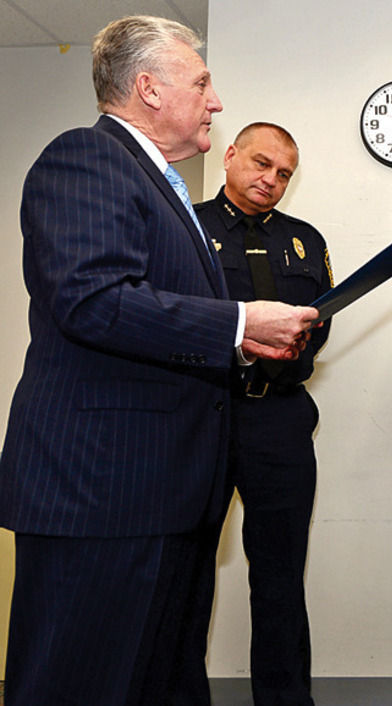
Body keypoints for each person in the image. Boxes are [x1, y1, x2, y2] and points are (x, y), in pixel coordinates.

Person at [0, 16, 317, 706]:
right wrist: (239, 321)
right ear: (148, 87)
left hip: (166, 495)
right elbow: (92, 300)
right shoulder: (84, 158)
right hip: (105, 495)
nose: (216, 99)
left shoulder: (161, 183)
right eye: (202, 82)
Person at [175, 122, 332, 705]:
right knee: (188, 573)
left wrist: (295, 345)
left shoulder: (305, 239)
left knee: (281, 577)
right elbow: (171, 316)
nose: (271, 180)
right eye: (262, 164)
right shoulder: (184, 225)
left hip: (281, 422)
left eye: (284, 174)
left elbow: (321, 321)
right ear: (231, 155)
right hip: (202, 417)